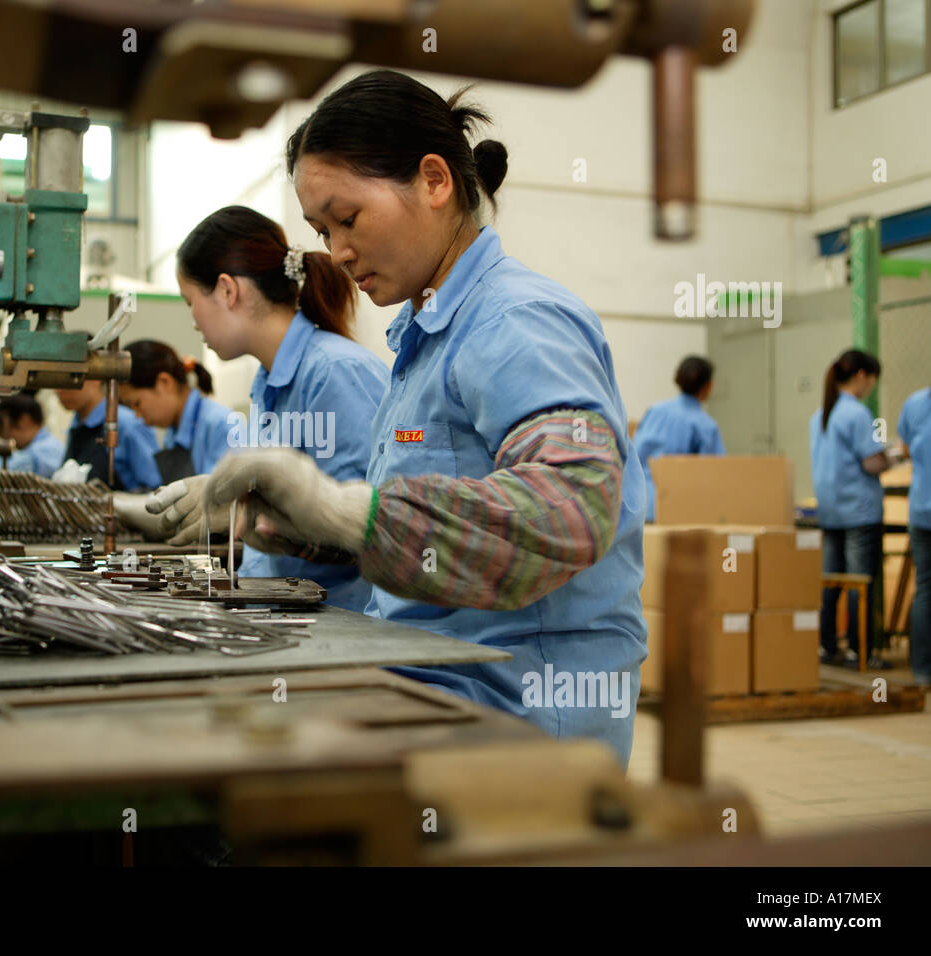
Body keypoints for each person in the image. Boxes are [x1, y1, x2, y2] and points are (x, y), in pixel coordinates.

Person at [199, 70, 646, 766]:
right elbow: (431, 530)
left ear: (434, 181)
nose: (337, 252)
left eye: (347, 219)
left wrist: (346, 510)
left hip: (517, 716)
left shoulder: (514, 322)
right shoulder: (423, 342)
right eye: (322, 230)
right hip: (436, 684)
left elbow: (572, 507)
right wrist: (308, 529)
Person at [147, 205, 390, 611]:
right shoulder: (267, 384)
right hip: (280, 617)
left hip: (336, 627)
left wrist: (252, 510)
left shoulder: (336, 373)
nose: (193, 322)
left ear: (227, 290)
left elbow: (377, 530)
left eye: (191, 302)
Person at [810, 349, 895, 669]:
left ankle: (827, 646)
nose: (870, 387)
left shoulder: (820, 413)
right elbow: (871, 462)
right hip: (859, 511)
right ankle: (861, 652)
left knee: (831, 580)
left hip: (830, 510)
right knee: (861, 581)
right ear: (861, 376)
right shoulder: (857, 414)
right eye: (871, 380)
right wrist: (894, 456)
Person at [118, 339, 234, 486]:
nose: (137, 415)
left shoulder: (220, 424)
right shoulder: (173, 432)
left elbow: (227, 499)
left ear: (164, 383)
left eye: (136, 404)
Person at [632, 355, 725, 521]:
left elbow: (633, 455)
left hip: (636, 506)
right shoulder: (705, 425)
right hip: (675, 512)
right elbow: (715, 476)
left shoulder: (654, 411)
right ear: (708, 386)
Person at [57, 374, 162, 492]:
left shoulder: (126, 424)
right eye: (55, 382)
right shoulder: (76, 424)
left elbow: (154, 488)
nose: (58, 390)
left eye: (69, 379)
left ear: (95, 378)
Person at [897, 385, 930, 684]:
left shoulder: (915, 403)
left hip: (921, 511)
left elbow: (905, 449)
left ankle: (922, 672)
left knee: (925, 590)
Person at [0, 391, 65, 479]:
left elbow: (5, 469)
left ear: (24, 420)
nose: (2, 436)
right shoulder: (41, 446)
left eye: (3, 426)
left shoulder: (46, 449)